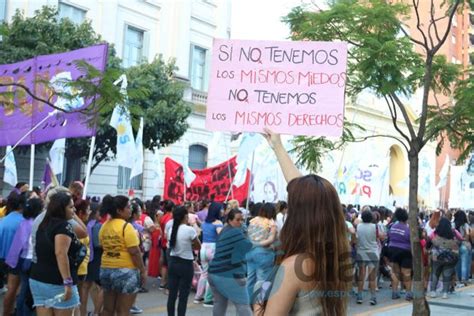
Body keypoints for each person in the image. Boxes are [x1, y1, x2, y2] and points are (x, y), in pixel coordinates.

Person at [254, 128, 351, 315]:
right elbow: (306, 196)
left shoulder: (293, 266)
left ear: (298, 216)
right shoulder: (334, 256)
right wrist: (278, 146)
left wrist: (258, 302)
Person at [29, 192, 84, 314]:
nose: (74, 210)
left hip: (38, 279)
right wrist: (68, 283)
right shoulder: (63, 226)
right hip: (57, 281)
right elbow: (60, 253)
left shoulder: (43, 223)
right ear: (61, 209)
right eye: (70, 207)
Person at [99, 195, 146, 316]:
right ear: (119, 211)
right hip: (125, 271)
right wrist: (142, 270)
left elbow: (103, 246)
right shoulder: (127, 227)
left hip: (106, 269)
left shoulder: (104, 226)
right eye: (128, 207)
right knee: (123, 311)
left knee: (107, 309)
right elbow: (134, 252)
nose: (131, 209)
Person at [208, 209, 253, 316]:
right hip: (229, 274)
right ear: (230, 220)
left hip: (214, 273)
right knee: (243, 305)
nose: (241, 222)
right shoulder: (236, 232)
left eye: (242, 220)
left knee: (220, 303)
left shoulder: (224, 230)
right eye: (238, 220)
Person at [5, 196, 42, 316]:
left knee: (23, 290)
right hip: (33, 260)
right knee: (29, 293)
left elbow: (17, 244)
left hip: (22, 259)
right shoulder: (38, 223)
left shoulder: (24, 222)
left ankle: (19, 311)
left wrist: (12, 260)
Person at [166, 206, 201, 316]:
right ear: (185, 216)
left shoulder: (171, 229)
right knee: (183, 296)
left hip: (173, 262)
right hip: (185, 264)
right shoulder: (189, 230)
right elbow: (198, 246)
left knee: (172, 295)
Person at [0, 192, 27, 316]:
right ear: (22, 205)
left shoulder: (3, 220)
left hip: (2, 257)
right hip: (15, 259)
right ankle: (8, 312)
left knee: (11, 288)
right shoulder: (23, 222)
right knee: (14, 289)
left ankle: (8, 312)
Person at [246, 202, 277, 303]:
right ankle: (260, 303)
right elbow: (271, 239)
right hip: (264, 253)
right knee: (262, 280)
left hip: (250, 252)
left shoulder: (253, 220)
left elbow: (248, 235)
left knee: (250, 279)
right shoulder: (271, 223)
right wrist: (260, 243)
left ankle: (247, 303)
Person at [194, 202, 224, 307]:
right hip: (213, 248)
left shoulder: (205, 223)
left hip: (203, 248)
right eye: (221, 209)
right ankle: (208, 299)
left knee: (204, 274)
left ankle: (198, 297)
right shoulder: (218, 223)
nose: (222, 211)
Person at [355, 210, 385, 305]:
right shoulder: (375, 227)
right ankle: (373, 297)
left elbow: (356, 237)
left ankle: (359, 296)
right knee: (372, 277)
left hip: (361, 252)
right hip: (373, 253)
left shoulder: (359, 226)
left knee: (361, 276)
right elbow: (381, 237)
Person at [428, 217, 463, 299]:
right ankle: (445, 293)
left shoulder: (435, 233)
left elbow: (428, 241)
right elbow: (460, 240)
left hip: (437, 257)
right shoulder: (453, 232)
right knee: (447, 274)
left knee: (435, 273)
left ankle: (433, 291)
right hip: (450, 258)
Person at [387, 208, 413, 300]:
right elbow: (411, 240)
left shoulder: (393, 226)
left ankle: (394, 292)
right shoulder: (408, 228)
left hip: (393, 250)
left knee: (395, 272)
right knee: (406, 273)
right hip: (405, 251)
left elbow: (389, 236)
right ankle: (408, 293)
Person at [84, 202, 103, 316]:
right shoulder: (97, 225)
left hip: (86, 257)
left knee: (86, 286)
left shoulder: (85, 224)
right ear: (95, 213)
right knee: (103, 286)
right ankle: (97, 312)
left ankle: (82, 311)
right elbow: (98, 244)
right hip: (95, 258)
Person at [74, 199, 91, 316]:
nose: (89, 212)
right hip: (78, 268)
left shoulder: (81, 225)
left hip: (81, 267)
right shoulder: (77, 227)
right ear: (80, 213)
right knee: (76, 300)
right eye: (88, 210)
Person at [159, 200, 174, 290]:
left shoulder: (163, 217)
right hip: (167, 242)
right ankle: (166, 282)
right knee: (169, 263)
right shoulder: (170, 218)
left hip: (163, 241)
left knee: (165, 262)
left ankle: (163, 282)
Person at [453, 211, 471, 286]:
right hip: (464, 245)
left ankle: (458, 279)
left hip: (455, 246)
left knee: (457, 263)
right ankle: (464, 279)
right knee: (465, 263)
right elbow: (467, 236)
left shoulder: (453, 224)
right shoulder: (465, 225)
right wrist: (464, 239)